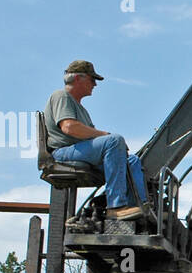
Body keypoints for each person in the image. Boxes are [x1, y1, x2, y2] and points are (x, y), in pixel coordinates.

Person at [44, 60, 149, 220]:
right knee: (114, 140)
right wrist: (106, 136)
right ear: (78, 78)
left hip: (79, 150)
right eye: (92, 79)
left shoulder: (82, 110)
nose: (94, 84)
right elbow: (69, 127)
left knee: (132, 160)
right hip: (63, 152)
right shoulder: (61, 96)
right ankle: (116, 206)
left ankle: (141, 208)